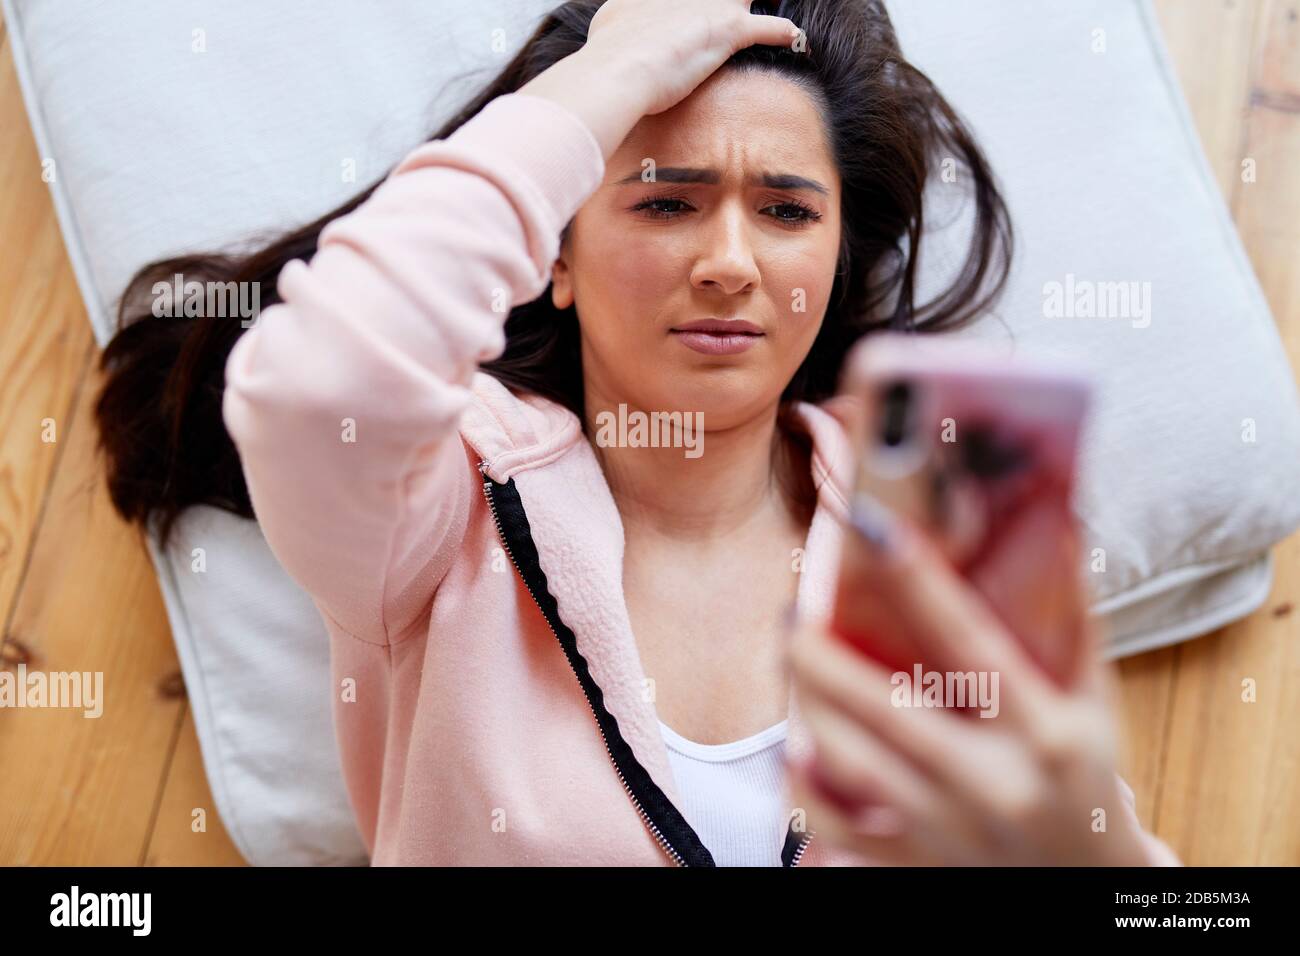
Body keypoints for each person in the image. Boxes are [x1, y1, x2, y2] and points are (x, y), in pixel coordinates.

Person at [95, 0, 1179, 865]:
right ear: (551, 260)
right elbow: (314, 376)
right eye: (665, 201)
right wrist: (597, 82)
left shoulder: (942, 518)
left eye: (788, 211)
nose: (729, 260)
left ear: (835, 264)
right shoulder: (443, 509)